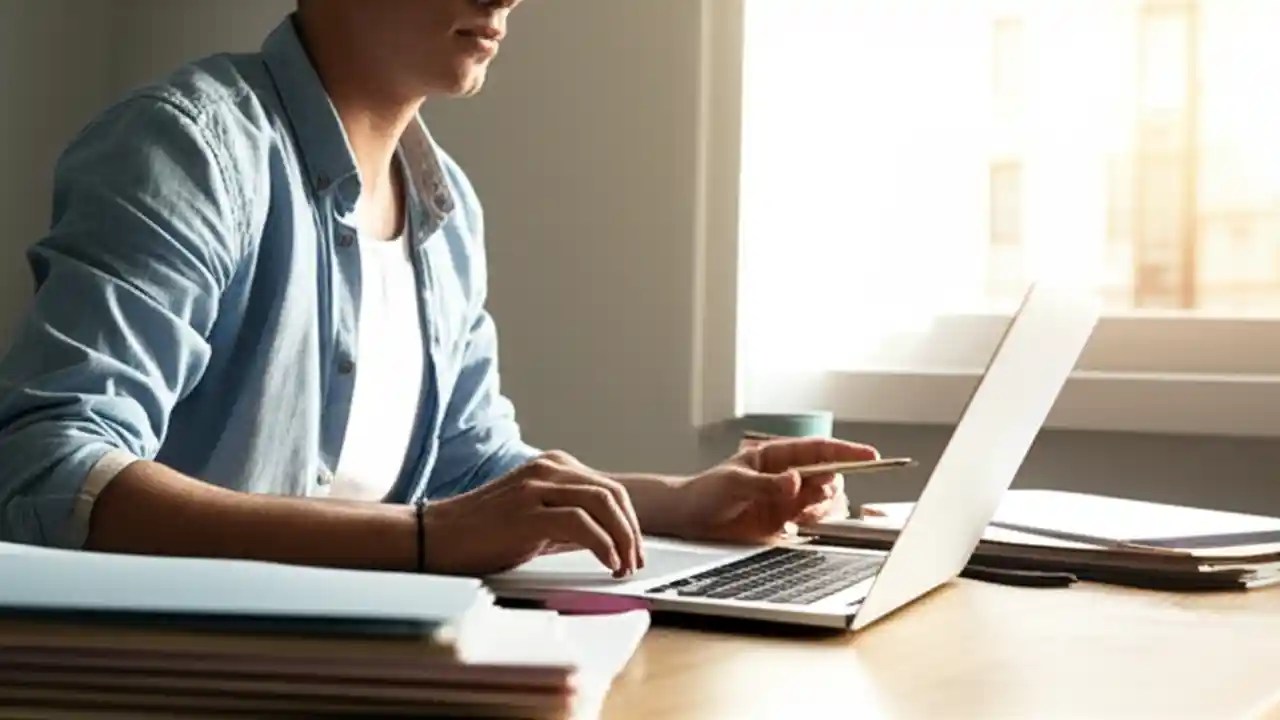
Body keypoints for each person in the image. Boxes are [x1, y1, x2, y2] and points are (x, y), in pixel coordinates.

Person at [0, 0, 877, 577]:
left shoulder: (445, 213)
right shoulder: (190, 151)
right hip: (169, 676)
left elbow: (473, 472)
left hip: (349, 658)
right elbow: (48, 472)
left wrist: (681, 501)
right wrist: (420, 543)